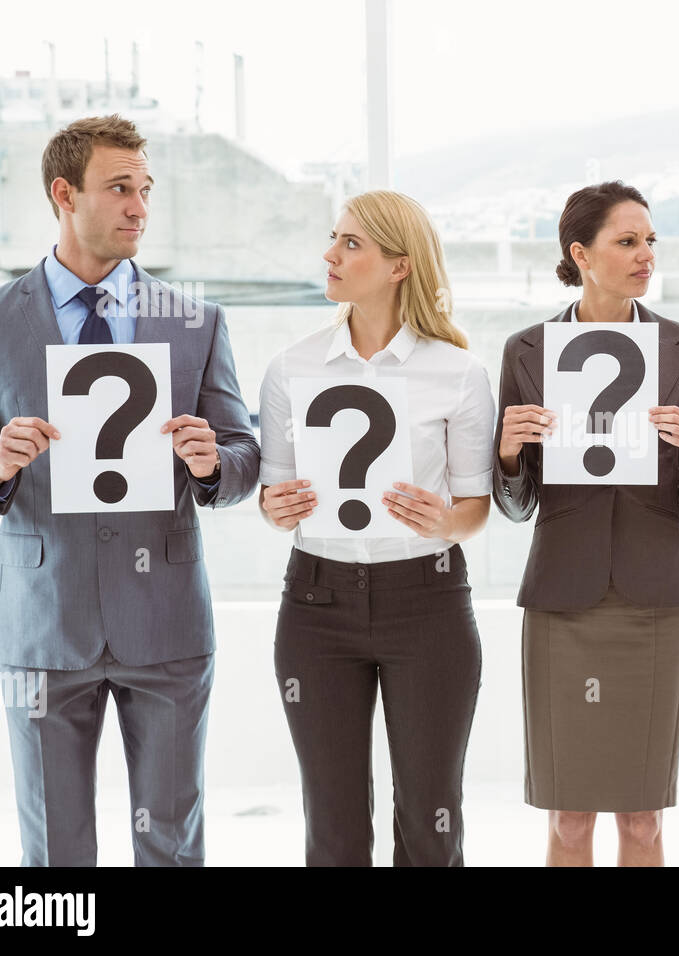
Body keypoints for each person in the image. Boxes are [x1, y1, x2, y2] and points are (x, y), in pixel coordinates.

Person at [0, 114, 260, 865]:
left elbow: (245, 455)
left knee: (173, 846)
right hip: (45, 626)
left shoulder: (193, 320)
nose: (139, 208)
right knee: (56, 853)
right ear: (64, 193)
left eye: (145, 190)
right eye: (120, 188)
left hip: (169, 624)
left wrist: (211, 462)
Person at [258, 190, 493, 867]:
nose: (331, 254)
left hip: (429, 603)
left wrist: (446, 519)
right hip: (315, 602)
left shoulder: (458, 373)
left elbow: (476, 506)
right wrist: (277, 509)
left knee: (431, 818)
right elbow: (274, 497)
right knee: (331, 825)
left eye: (352, 243)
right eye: (334, 238)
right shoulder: (291, 369)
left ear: (400, 265)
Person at [492, 180, 679, 866]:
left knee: (644, 820)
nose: (645, 254)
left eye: (650, 240)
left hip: (652, 599)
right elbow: (515, 502)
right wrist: (508, 451)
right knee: (568, 818)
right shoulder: (526, 350)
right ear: (581, 254)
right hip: (563, 598)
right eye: (627, 242)